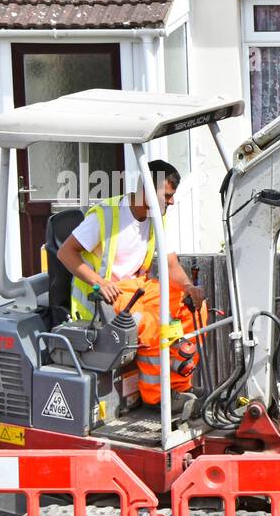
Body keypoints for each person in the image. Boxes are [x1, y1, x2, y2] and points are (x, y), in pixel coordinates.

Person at [57, 160, 207, 409]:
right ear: (148, 191)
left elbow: (170, 265)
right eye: (167, 196)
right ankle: (157, 398)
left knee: (193, 308)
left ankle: (181, 387)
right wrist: (99, 282)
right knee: (151, 322)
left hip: (137, 287)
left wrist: (189, 287)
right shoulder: (106, 215)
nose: (171, 202)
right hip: (104, 295)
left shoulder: (156, 217)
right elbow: (66, 253)